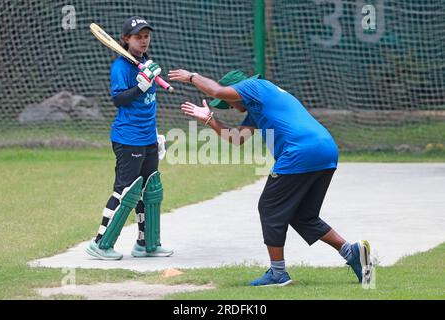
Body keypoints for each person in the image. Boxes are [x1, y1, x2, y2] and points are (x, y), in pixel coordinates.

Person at [168, 69, 372, 286]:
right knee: (303, 216)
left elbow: (217, 91)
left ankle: (277, 273)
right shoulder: (259, 105)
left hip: (299, 151)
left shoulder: (254, 87)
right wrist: (210, 119)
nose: (232, 108)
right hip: (325, 150)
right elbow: (237, 139)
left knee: (269, 207)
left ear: (237, 92)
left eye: (230, 103)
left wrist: (191, 76)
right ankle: (351, 253)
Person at [86, 16, 173, 260]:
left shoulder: (145, 62)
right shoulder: (121, 67)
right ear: (126, 39)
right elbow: (118, 100)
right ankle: (100, 244)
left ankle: (147, 244)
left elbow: (149, 105)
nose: (144, 40)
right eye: (138, 37)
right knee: (125, 191)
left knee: (150, 190)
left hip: (146, 137)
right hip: (128, 138)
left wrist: (155, 134)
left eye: (146, 36)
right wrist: (140, 87)